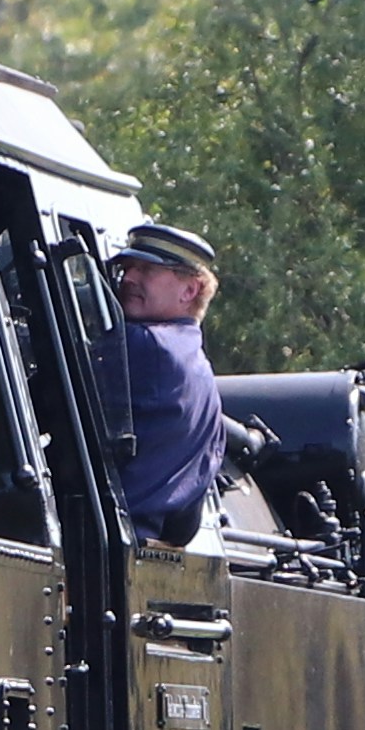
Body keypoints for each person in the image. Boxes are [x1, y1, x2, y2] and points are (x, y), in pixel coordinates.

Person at [107, 220, 226, 542]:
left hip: (96, 543)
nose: (128, 278)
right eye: (128, 268)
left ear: (190, 290)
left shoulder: (143, 345)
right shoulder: (203, 380)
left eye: (146, 270)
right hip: (138, 545)